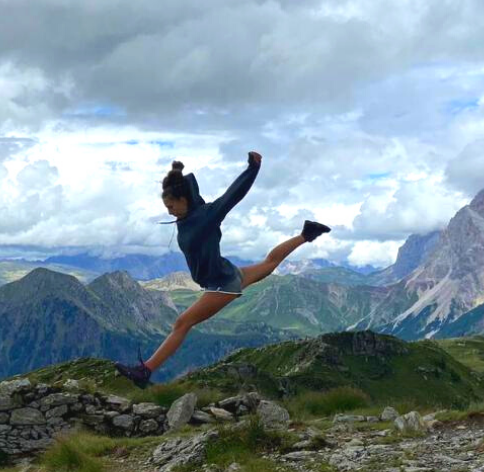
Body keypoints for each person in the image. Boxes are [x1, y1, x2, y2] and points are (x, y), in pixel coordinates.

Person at [114, 151, 330, 387]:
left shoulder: (207, 216)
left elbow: (232, 196)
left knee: (182, 323)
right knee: (269, 264)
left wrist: (253, 169)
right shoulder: (187, 217)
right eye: (166, 206)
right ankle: (307, 234)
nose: (169, 211)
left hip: (222, 284)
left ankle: (145, 371)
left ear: (184, 199)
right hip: (227, 272)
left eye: (171, 205)